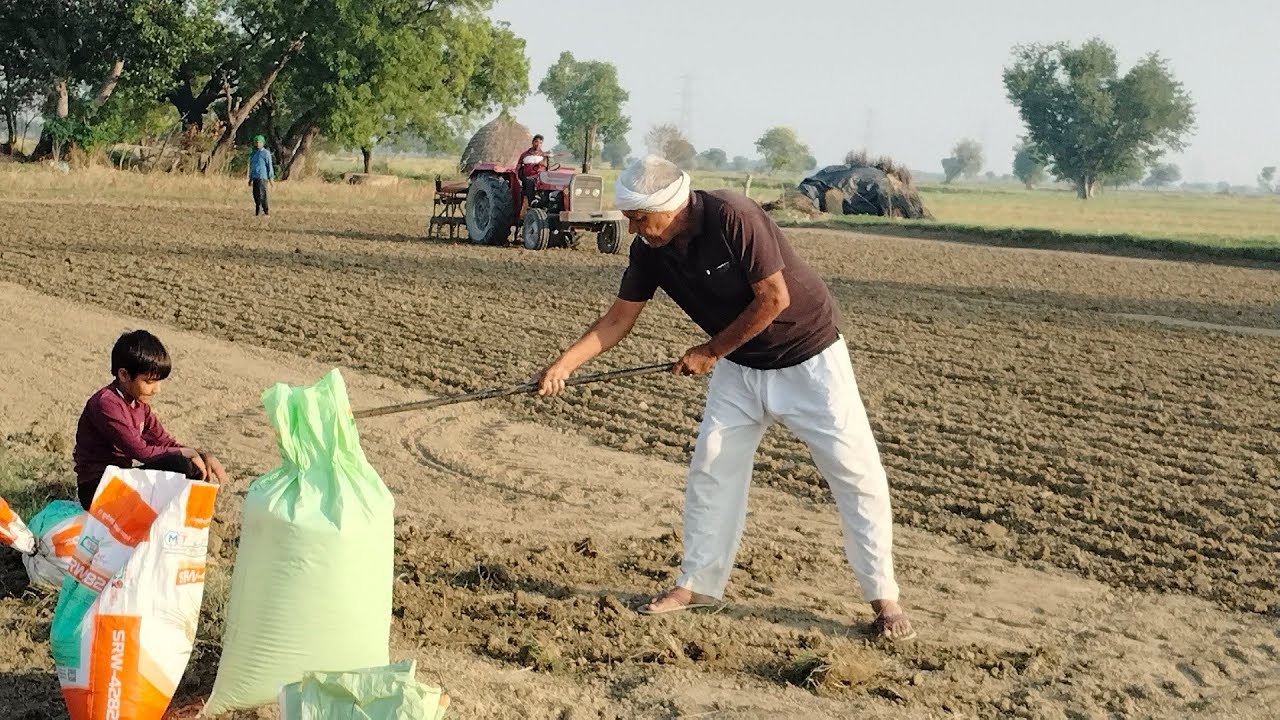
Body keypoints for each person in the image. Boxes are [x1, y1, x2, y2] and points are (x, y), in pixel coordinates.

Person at [533, 155, 915, 642]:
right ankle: (698, 585)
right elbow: (617, 320)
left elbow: (773, 299)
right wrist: (562, 366)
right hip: (741, 365)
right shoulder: (650, 248)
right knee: (712, 467)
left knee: (855, 473)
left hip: (808, 358)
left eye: (637, 217)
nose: (633, 229)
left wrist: (711, 350)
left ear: (669, 207)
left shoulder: (733, 215)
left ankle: (885, 599)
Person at [72, 330, 228, 511]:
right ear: (124, 375)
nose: (157, 390)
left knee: (192, 465)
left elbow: (164, 442)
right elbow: (141, 452)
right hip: (98, 488)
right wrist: (188, 453)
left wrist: (202, 455)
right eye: (149, 382)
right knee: (179, 465)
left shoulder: (139, 405)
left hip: (121, 478)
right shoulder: (107, 404)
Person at [517, 134, 548, 205]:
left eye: (540, 143)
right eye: (536, 142)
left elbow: (547, 166)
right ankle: (532, 202)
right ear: (533, 142)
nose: (538, 144)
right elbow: (518, 167)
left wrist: (542, 163)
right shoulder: (524, 155)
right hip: (528, 177)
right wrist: (517, 178)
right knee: (529, 182)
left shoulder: (543, 155)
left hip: (540, 177)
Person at [248, 135, 274, 216]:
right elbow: (252, 166)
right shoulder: (253, 153)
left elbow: (269, 165)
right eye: (256, 142)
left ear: (263, 143)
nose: (258, 144)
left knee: (262, 195)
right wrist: (250, 178)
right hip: (255, 177)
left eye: (259, 142)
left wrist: (271, 178)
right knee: (255, 195)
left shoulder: (266, 153)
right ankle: (257, 211)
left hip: (262, 177)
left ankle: (265, 211)